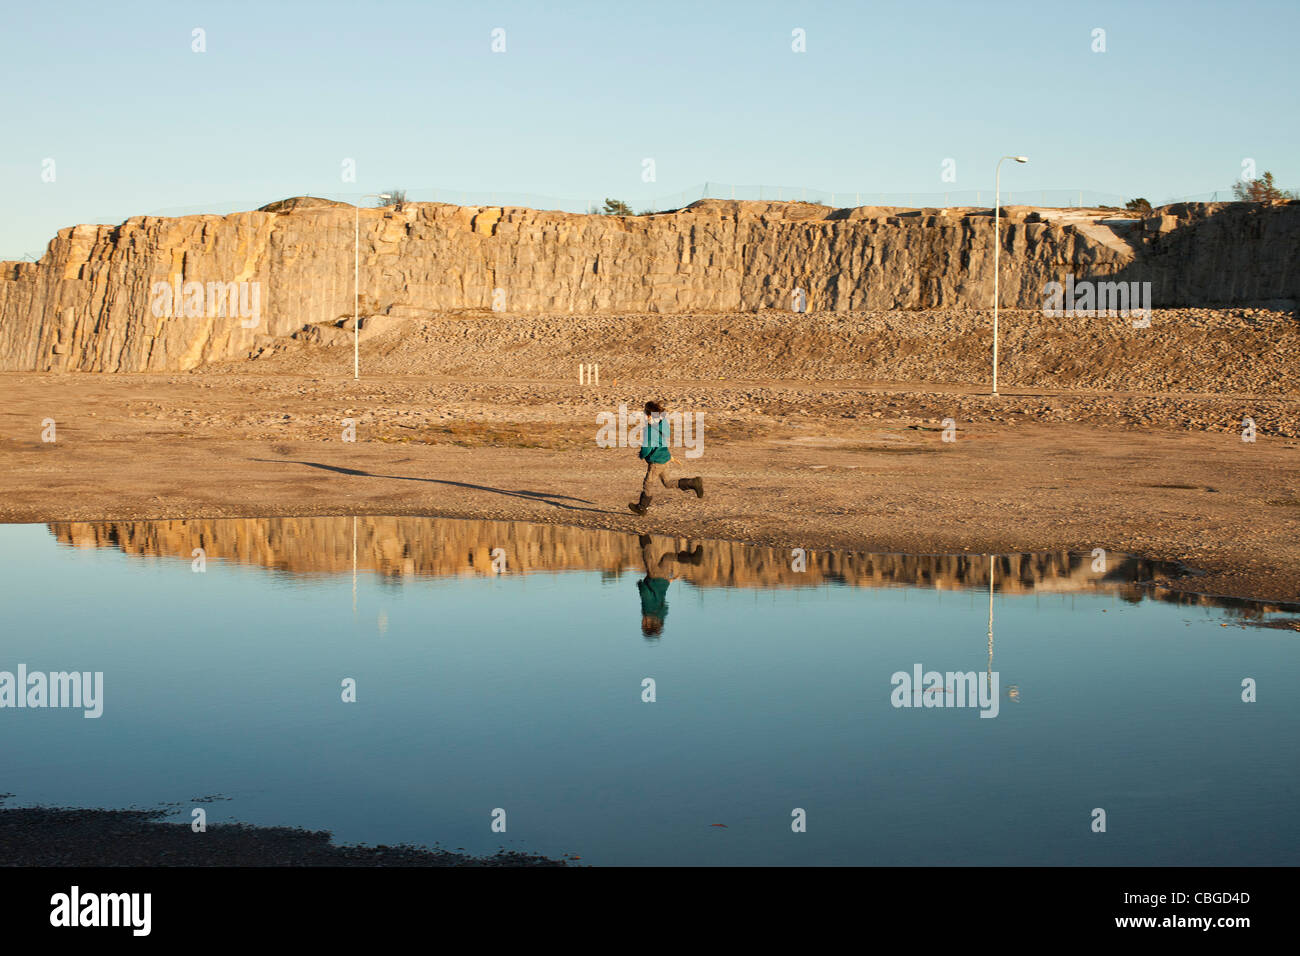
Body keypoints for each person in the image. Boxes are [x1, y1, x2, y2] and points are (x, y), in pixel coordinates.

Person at [629, 401, 703, 515]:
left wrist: (642, 454)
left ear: (648, 415)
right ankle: (693, 483)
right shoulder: (662, 424)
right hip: (665, 457)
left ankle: (642, 507)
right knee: (668, 483)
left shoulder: (650, 430)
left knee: (648, 483)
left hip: (656, 461)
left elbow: (647, 447)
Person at [637, 534, 703, 638]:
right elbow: (646, 595)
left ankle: (693, 559)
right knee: (647, 555)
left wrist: (669, 581)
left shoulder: (661, 613)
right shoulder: (648, 611)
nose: (642, 622)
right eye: (643, 625)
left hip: (664, 581)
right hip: (654, 577)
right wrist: (640, 585)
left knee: (667, 558)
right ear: (647, 624)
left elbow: (661, 596)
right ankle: (643, 534)